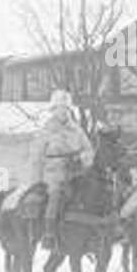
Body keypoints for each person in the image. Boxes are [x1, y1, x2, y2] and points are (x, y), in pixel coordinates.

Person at [30, 90, 94, 249]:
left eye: (65, 108)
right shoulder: (45, 132)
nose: (62, 112)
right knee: (55, 196)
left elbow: (89, 150)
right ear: (53, 110)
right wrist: (37, 182)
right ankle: (49, 233)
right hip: (54, 174)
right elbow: (36, 159)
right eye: (59, 108)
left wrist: (82, 158)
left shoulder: (77, 130)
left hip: (77, 172)